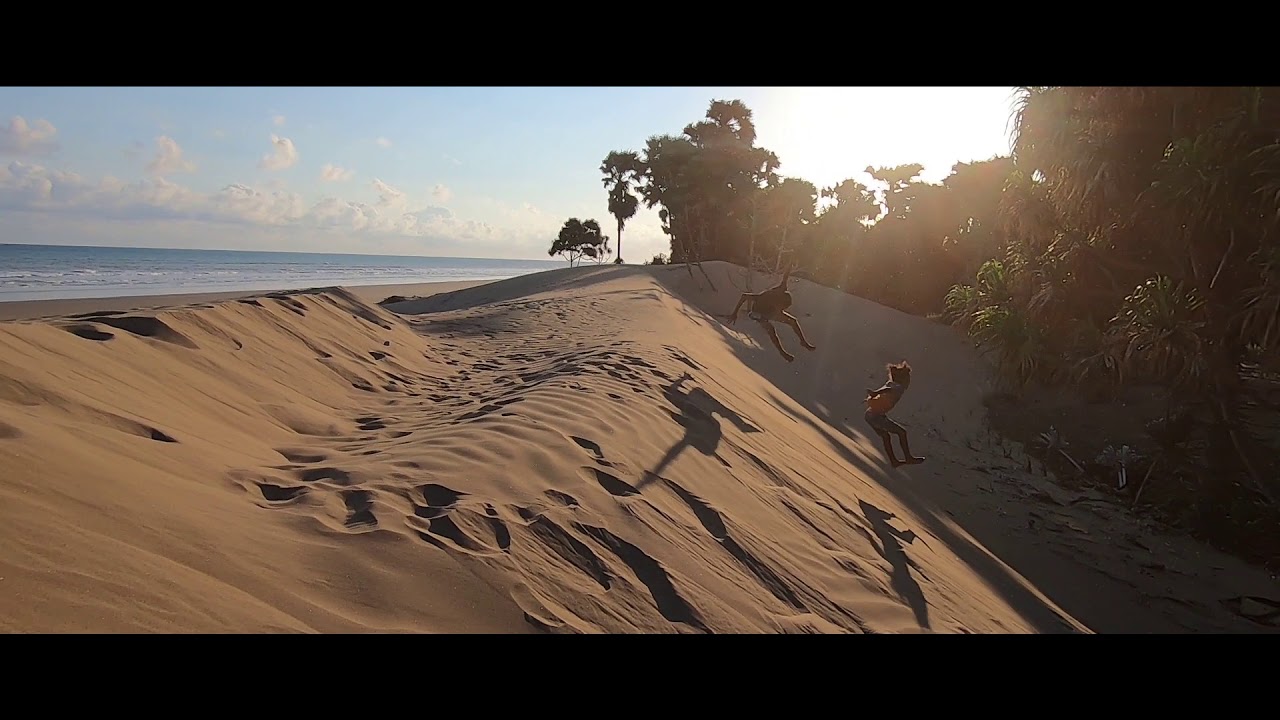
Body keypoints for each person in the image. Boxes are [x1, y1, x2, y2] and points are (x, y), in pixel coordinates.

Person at [726, 267, 817, 362]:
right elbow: (744, 296)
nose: (781, 310)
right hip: (758, 312)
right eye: (781, 307)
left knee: (792, 321)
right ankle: (782, 352)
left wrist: (790, 264)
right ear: (778, 302)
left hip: (771, 311)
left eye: (783, 309)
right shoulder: (763, 298)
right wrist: (734, 313)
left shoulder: (782, 289)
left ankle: (803, 342)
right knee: (771, 329)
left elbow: (785, 276)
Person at [865, 361, 925, 467]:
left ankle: (894, 461)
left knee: (885, 436)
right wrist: (876, 393)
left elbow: (887, 388)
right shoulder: (898, 387)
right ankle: (908, 458)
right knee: (902, 433)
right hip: (876, 417)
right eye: (908, 379)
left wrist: (876, 393)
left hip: (869, 415)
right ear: (903, 379)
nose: (909, 382)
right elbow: (888, 390)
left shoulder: (891, 383)